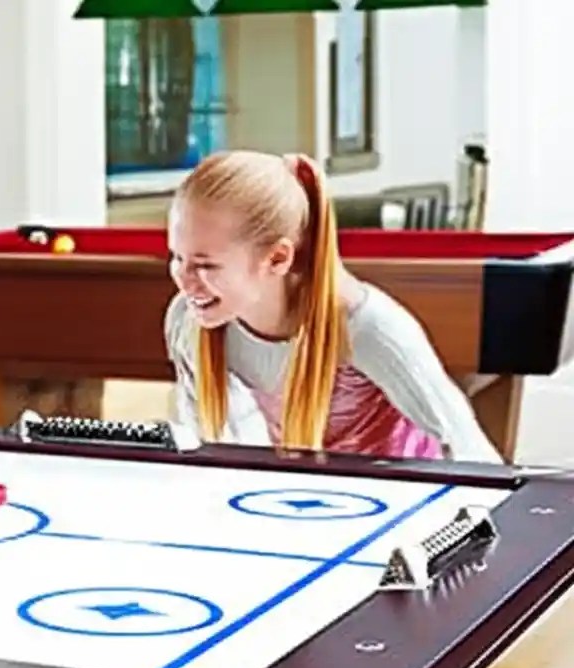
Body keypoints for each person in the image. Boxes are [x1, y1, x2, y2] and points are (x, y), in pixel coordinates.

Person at [163, 150, 501, 463]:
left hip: (406, 503)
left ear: (278, 258)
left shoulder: (368, 329)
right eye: (177, 257)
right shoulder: (189, 320)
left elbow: (467, 448)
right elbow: (207, 449)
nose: (184, 278)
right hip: (311, 497)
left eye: (206, 265)